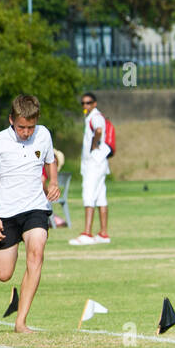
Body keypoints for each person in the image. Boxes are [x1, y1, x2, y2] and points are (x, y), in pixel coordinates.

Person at [0, 94, 60, 333]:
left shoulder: (43, 135)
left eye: (30, 127)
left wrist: (53, 181)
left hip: (35, 208)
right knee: (4, 274)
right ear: (11, 119)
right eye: (21, 127)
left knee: (36, 254)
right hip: (4, 213)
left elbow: (50, 160)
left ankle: (21, 321)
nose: (26, 132)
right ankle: (16, 299)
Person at [70, 92, 111, 245]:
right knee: (100, 196)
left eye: (88, 103)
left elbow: (99, 131)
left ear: (94, 103)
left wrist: (94, 145)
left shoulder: (95, 117)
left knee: (89, 194)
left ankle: (87, 233)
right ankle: (103, 234)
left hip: (94, 163)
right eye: (83, 103)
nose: (85, 105)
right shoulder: (92, 117)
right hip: (99, 162)